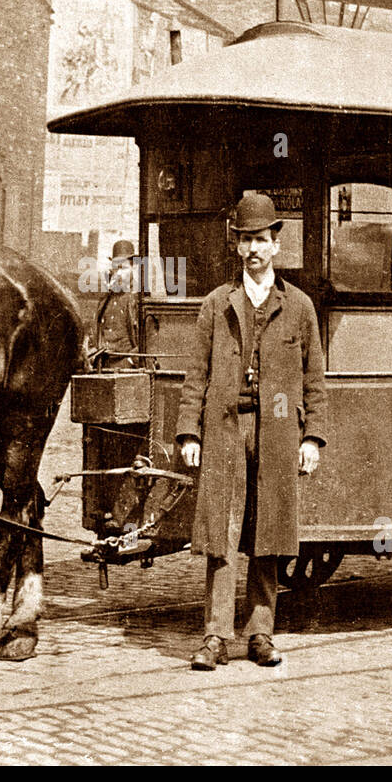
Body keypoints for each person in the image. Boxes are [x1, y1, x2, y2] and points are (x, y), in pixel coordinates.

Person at [175, 194, 327, 670]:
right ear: (236, 246)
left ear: (276, 244)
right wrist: (189, 433)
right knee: (220, 531)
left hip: (278, 431)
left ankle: (261, 632)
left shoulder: (299, 306)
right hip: (224, 429)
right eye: (246, 240)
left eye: (262, 239)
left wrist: (312, 438)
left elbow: (314, 380)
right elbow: (195, 375)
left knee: (269, 531)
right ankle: (216, 635)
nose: (254, 249)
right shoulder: (216, 305)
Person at [93, 239, 138, 368]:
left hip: (127, 366)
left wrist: (130, 361)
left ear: (132, 268)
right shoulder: (105, 300)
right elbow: (95, 333)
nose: (117, 274)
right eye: (115, 269)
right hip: (103, 363)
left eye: (122, 268)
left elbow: (148, 339)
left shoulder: (137, 299)